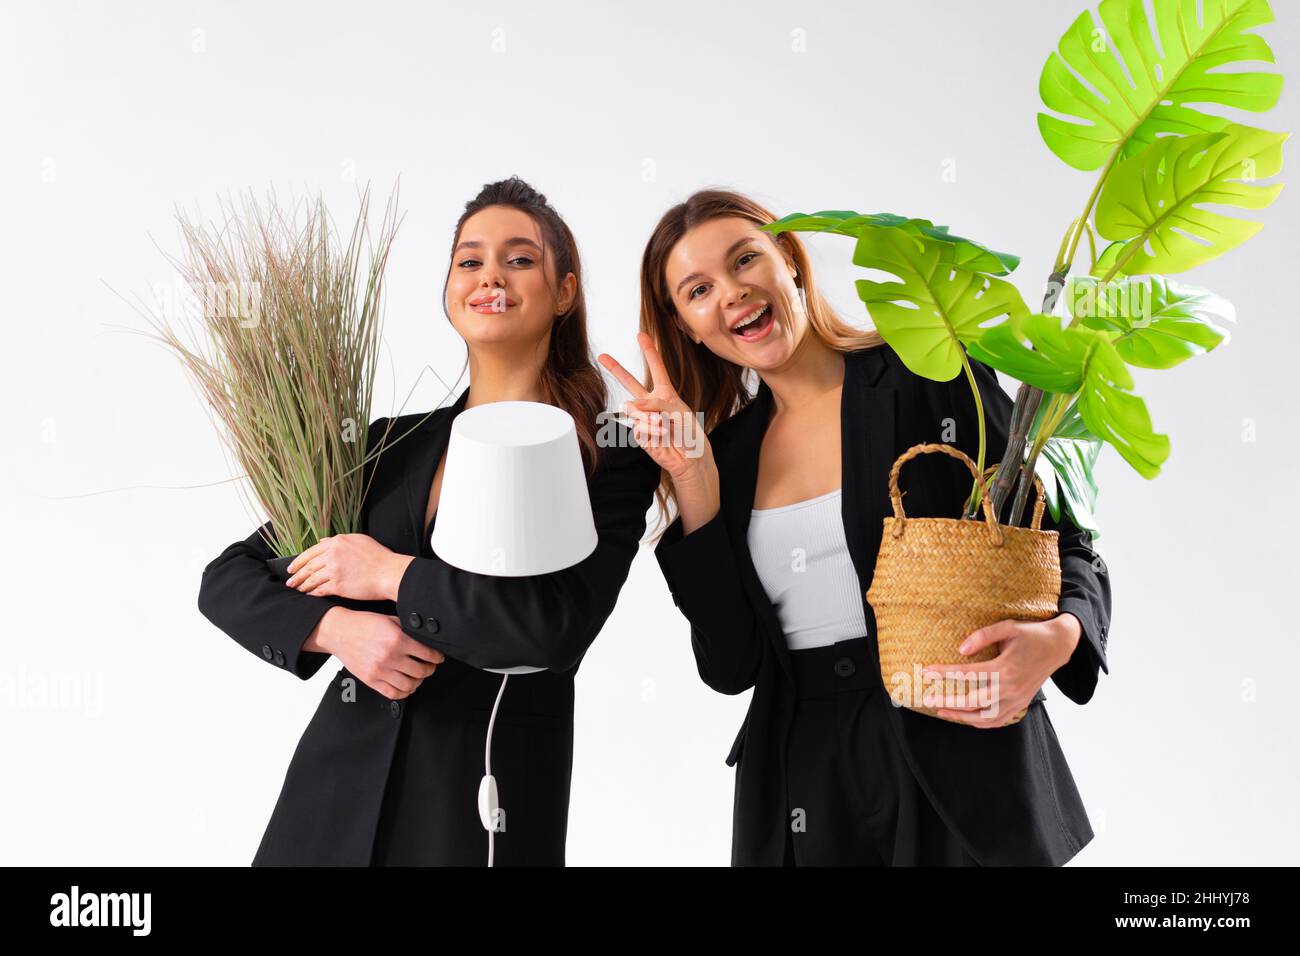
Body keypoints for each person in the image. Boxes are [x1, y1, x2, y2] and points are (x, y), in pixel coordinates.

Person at [599, 188, 1112, 866]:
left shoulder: (927, 376)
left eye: (746, 259)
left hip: (959, 743)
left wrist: (1059, 636)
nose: (732, 293)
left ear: (789, 260)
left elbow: (1066, 540)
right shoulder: (722, 459)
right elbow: (732, 666)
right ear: (689, 325)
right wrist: (693, 479)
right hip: (804, 776)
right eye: (698, 289)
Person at [198, 176, 660, 866]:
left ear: (566, 290)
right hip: (330, 805)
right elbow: (228, 579)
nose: (490, 276)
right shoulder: (388, 446)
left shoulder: (606, 455)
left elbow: (554, 629)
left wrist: (388, 574)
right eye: (469, 260)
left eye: (520, 258)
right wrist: (335, 628)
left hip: (478, 811)